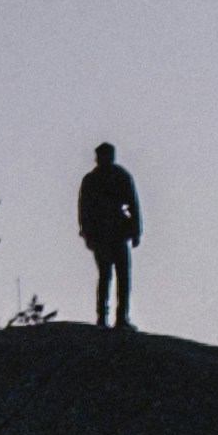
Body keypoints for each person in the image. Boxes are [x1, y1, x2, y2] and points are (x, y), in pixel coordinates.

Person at [77, 140, 140, 333]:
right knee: (105, 275)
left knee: (123, 276)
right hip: (100, 234)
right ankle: (102, 317)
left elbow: (133, 204)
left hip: (119, 232)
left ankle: (122, 317)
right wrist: (87, 233)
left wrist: (136, 230)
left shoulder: (121, 176)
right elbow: (84, 209)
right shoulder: (91, 180)